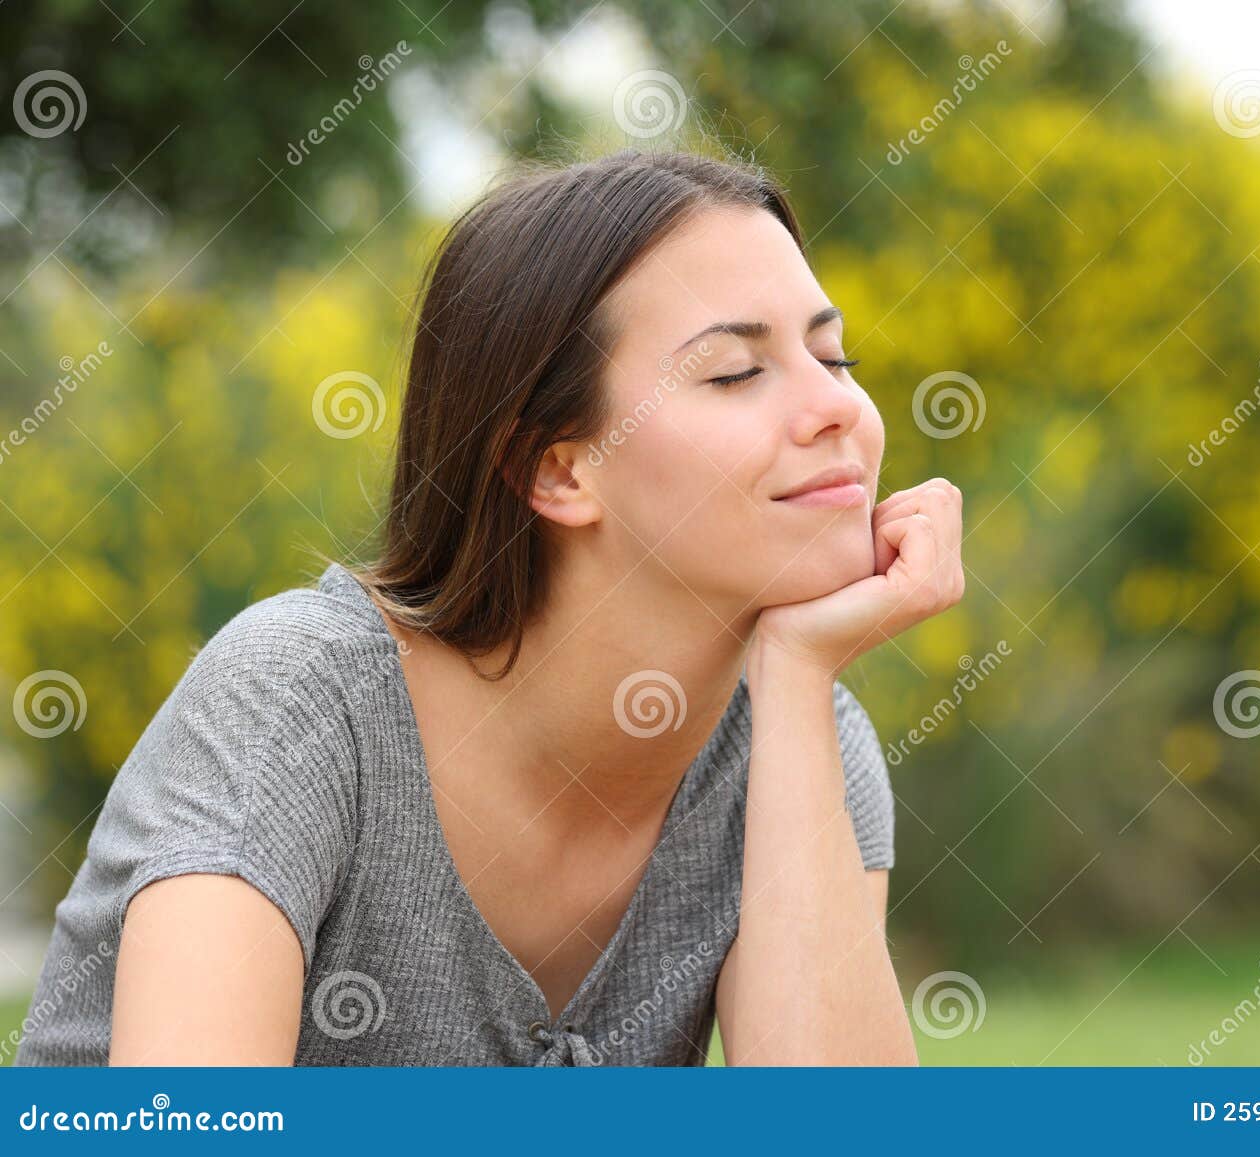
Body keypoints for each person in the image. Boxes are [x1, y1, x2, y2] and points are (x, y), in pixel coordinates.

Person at [13, 148, 964, 1067]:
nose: (839, 408)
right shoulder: (301, 701)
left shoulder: (803, 747)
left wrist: (798, 680)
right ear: (556, 469)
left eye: (834, 357)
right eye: (733, 372)